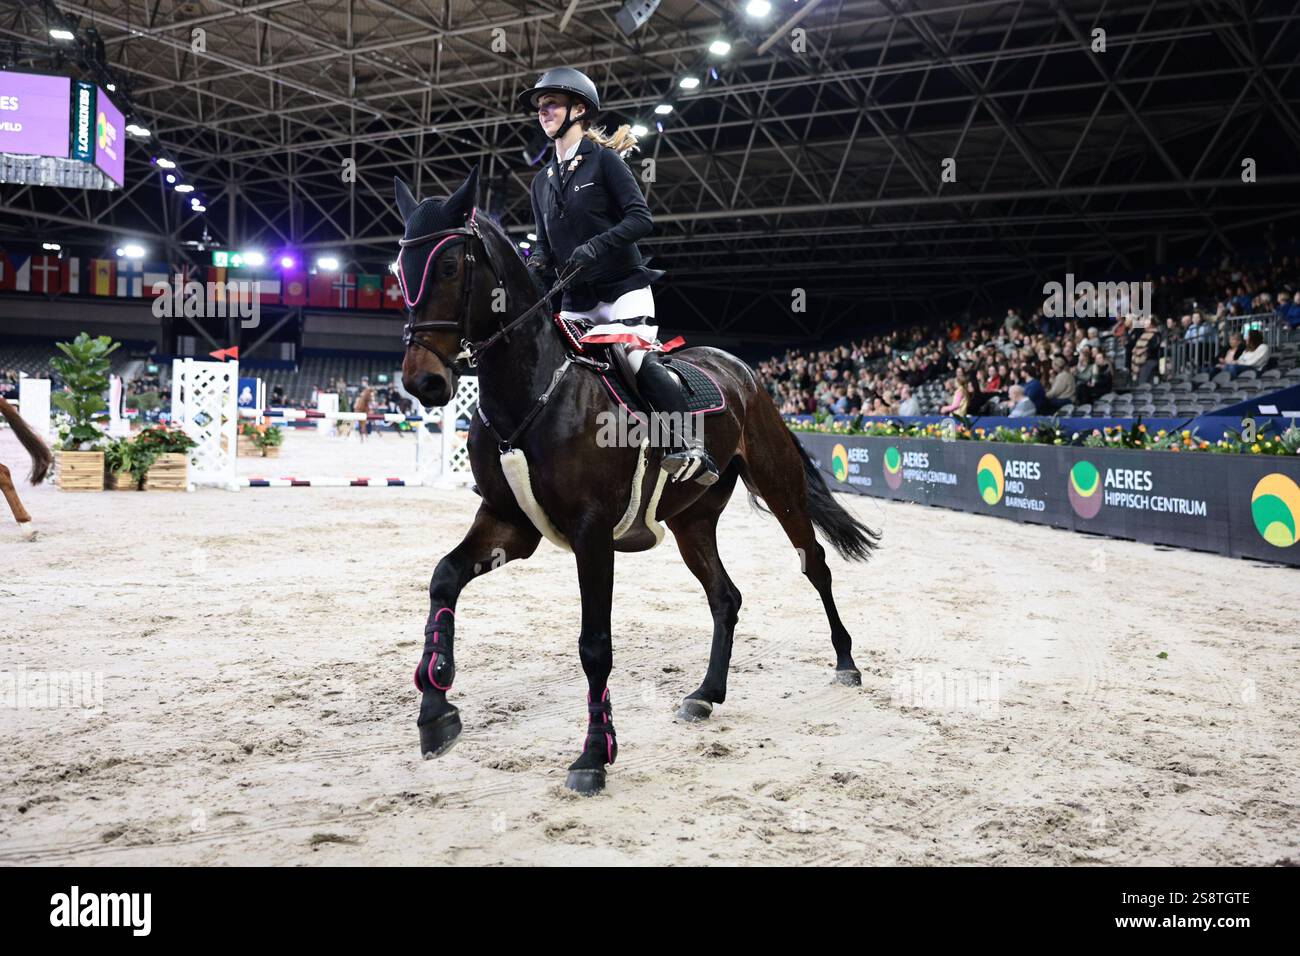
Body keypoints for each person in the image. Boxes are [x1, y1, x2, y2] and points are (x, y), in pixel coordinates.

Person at [520, 68, 718, 486]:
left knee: (632, 358)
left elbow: (640, 218)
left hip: (623, 291)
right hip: (577, 302)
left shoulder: (604, 162)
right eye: (540, 106)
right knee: (548, 367)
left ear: (579, 110)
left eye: (552, 103)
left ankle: (688, 445)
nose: (544, 111)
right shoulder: (541, 182)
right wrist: (536, 265)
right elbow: (542, 244)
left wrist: (595, 246)